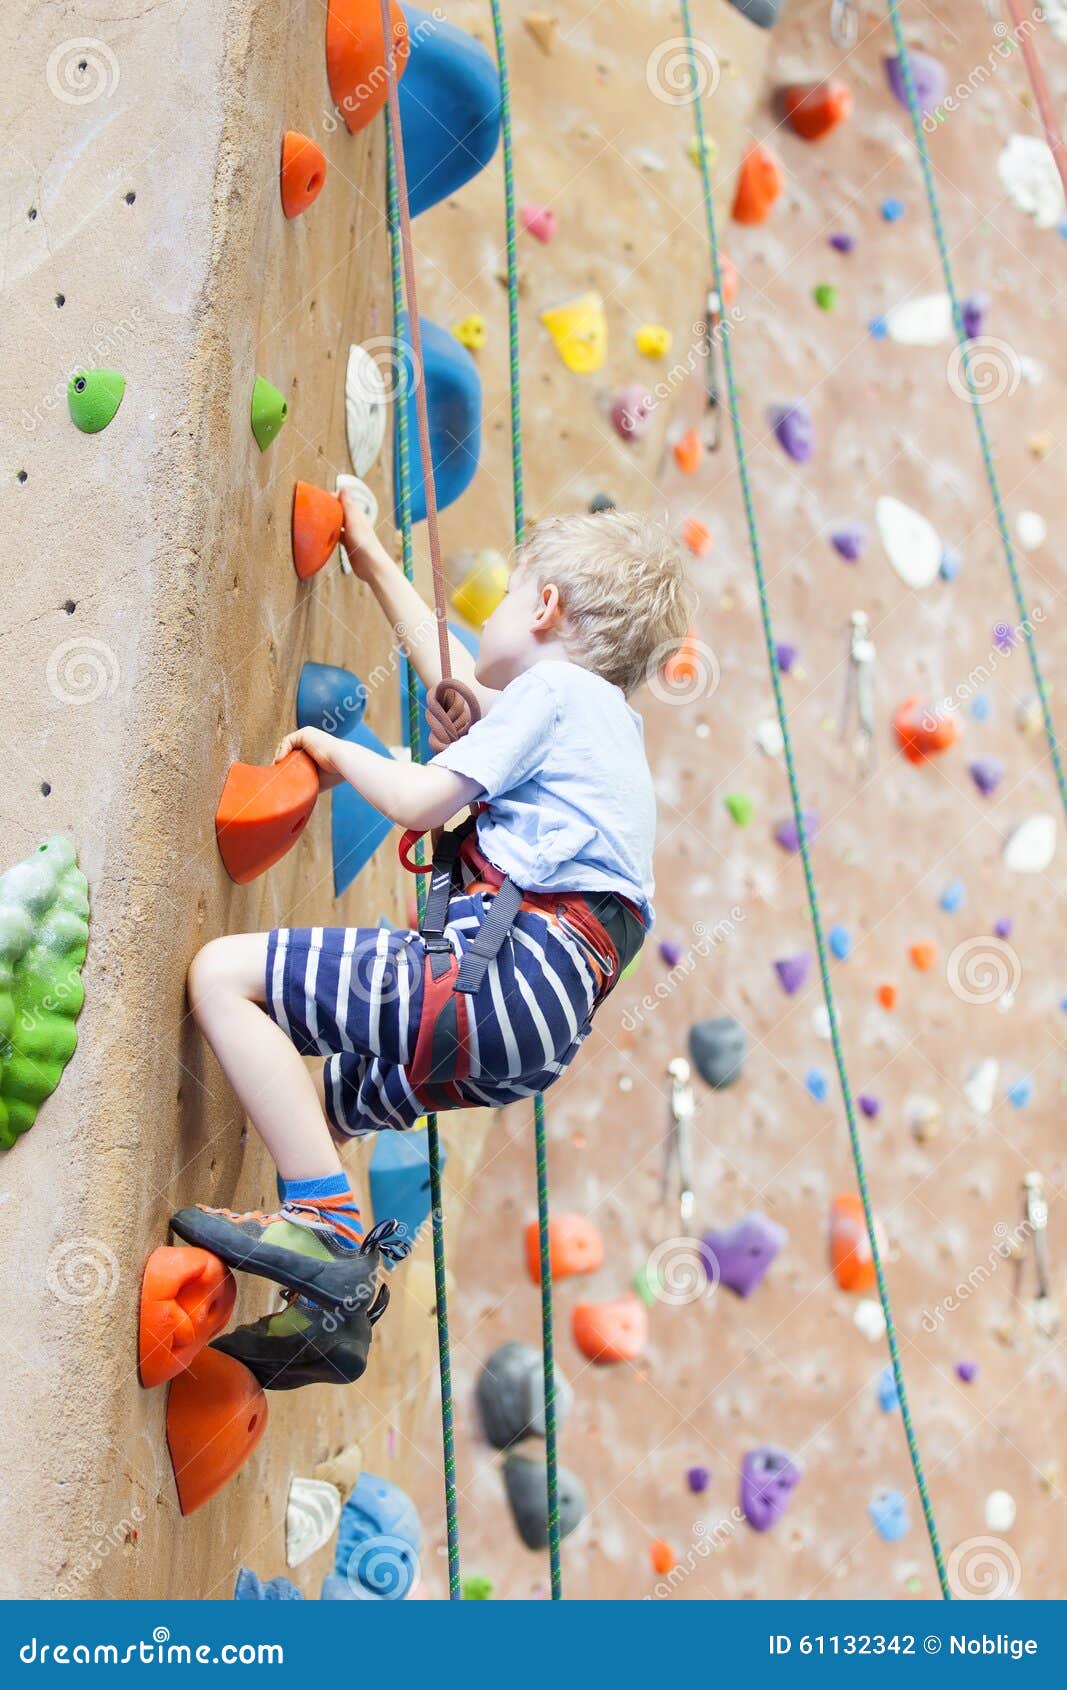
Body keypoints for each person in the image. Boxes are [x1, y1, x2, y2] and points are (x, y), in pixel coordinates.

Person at [171, 496, 692, 1387]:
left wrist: (334, 755)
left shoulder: (557, 696)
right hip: (530, 1035)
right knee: (327, 1101)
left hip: (496, 980)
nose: (478, 620)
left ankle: (330, 1240)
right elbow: (445, 668)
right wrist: (370, 555)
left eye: (509, 593)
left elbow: (418, 804)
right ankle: (329, 1319)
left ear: (545, 609)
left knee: (224, 977)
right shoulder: (604, 734)